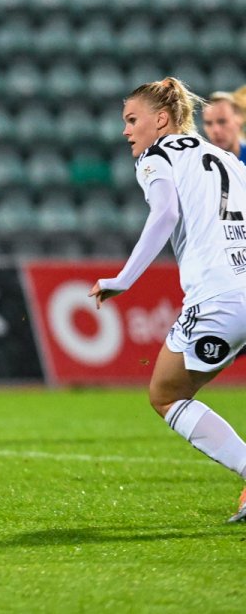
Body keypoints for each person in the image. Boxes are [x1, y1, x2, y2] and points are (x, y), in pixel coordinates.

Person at [90, 77, 246, 523]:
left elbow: (166, 214)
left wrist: (123, 278)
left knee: (166, 394)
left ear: (161, 121)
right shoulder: (227, 159)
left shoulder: (156, 158)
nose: (126, 131)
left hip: (219, 296)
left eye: (132, 119)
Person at [201, 91, 245, 163]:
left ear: (239, 120)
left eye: (222, 121)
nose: (215, 130)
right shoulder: (197, 163)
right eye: (208, 123)